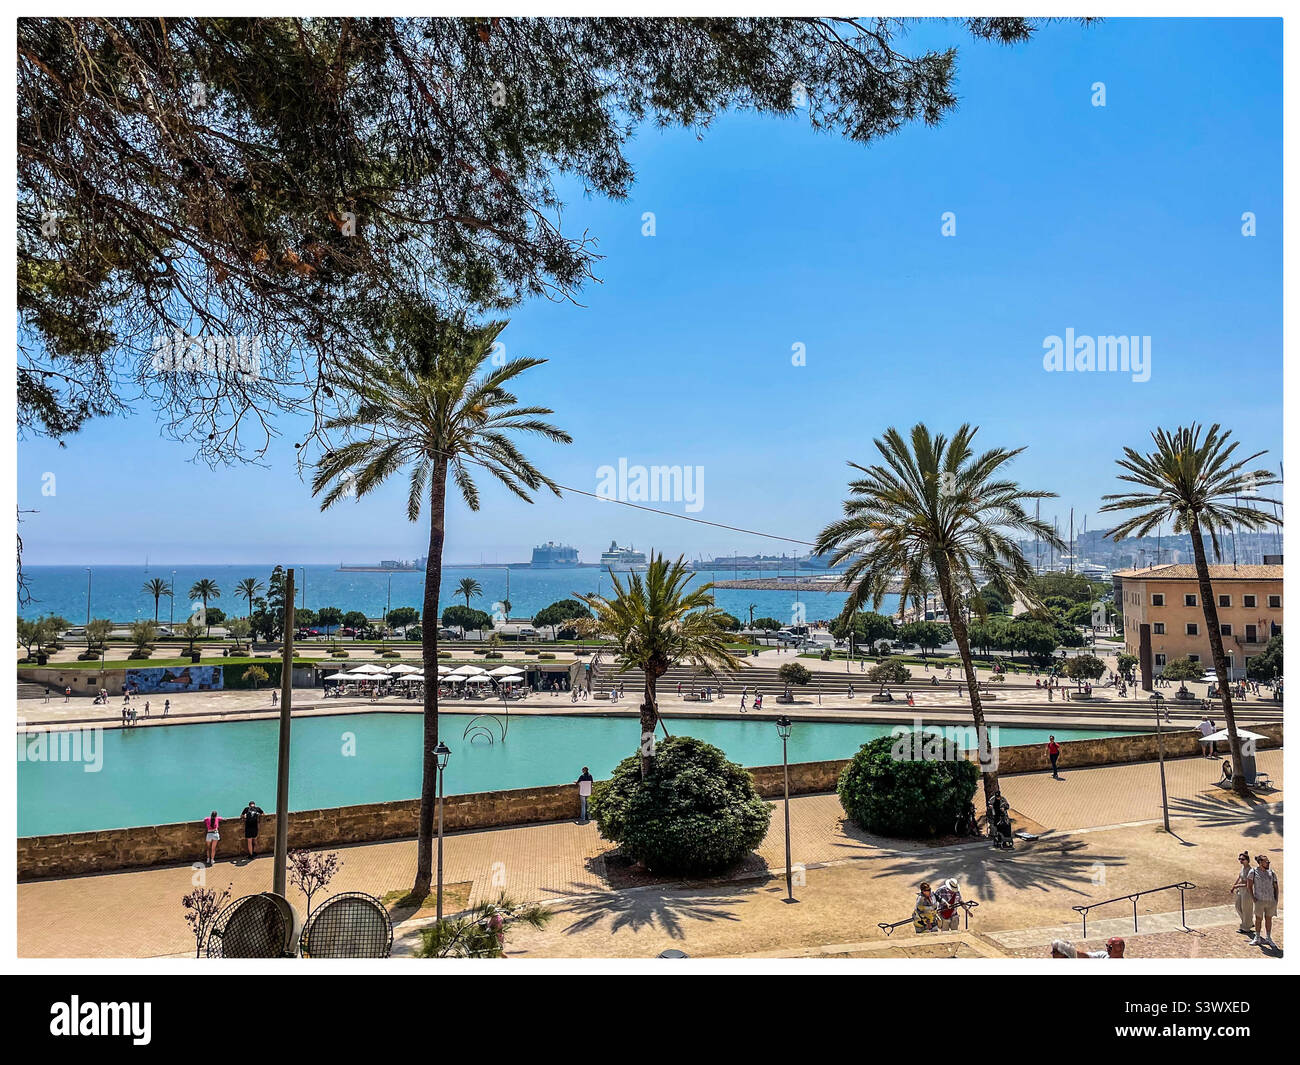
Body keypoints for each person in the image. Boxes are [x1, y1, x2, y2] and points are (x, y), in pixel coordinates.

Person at [1247, 854, 1279, 948]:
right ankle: (1257, 937)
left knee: (1269, 919)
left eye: (1269, 861)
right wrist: (1253, 898)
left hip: (1270, 900)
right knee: (1258, 919)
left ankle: (1268, 938)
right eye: (1267, 862)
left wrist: (1276, 899)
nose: (1269, 863)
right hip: (1259, 900)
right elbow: (1249, 886)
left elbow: (1276, 887)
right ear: (1260, 862)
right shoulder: (1253, 872)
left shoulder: (1271, 872)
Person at [1231, 850, 1255, 934]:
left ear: (1247, 860)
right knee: (1238, 907)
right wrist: (1234, 886)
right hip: (1240, 891)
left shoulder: (1250, 870)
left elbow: (1247, 884)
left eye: (1242, 859)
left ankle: (1245, 927)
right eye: (1239, 859)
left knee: (1246, 909)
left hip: (1247, 892)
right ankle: (1249, 922)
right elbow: (1239, 877)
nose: (1241, 861)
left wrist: (1237, 886)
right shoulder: (1243, 868)